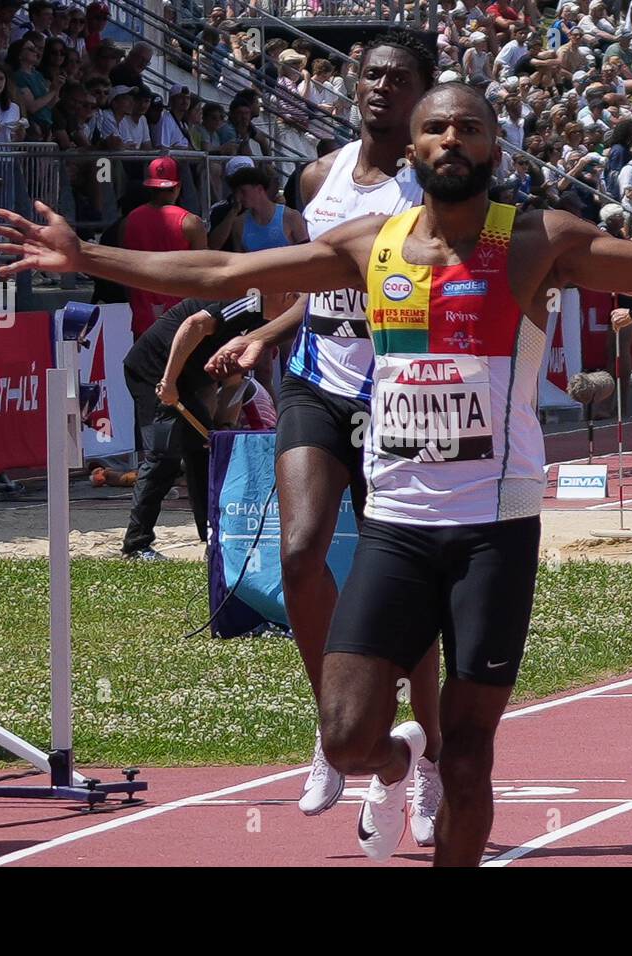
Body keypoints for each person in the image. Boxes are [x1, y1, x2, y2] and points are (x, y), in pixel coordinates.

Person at [0, 82, 632, 866]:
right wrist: (91, 254)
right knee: (347, 736)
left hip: (495, 531)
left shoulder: (540, 240)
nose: (452, 139)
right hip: (401, 526)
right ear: (410, 151)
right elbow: (219, 278)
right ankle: (399, 758)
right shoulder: (370, 247)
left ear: (497, 145)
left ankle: (445, 796)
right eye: (435, 128)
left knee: (476, 746)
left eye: (470, 127)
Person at [202, 32, 442, 836]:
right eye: (371, 74)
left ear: (425, 96)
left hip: (402, 392)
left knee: (405, 584)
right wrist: (266, 337)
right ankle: (332, 719)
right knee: (302, 552)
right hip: (317, 382)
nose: (381, 87)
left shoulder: (432, 186)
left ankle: (431, 755)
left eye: (399, 78)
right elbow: (322, 279)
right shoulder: (319, 176)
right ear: (353, 83)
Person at [121, 293, 279, 557]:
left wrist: (223, 428)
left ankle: (214, 539)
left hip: (188, 382)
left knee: (206, 452)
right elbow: (193, 325)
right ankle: (136, 545)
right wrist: (169, 382)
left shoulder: (264, 326)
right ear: (284, 293)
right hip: (154, 370)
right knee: (164, 456)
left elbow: (231, 383)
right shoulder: (249, 300)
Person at [121, 157, 208, 338]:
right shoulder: (191, 223)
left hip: (143, 320)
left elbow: (124, 274)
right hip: (183, 322)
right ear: (178, 186)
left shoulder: (128, 222)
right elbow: (202, 276)